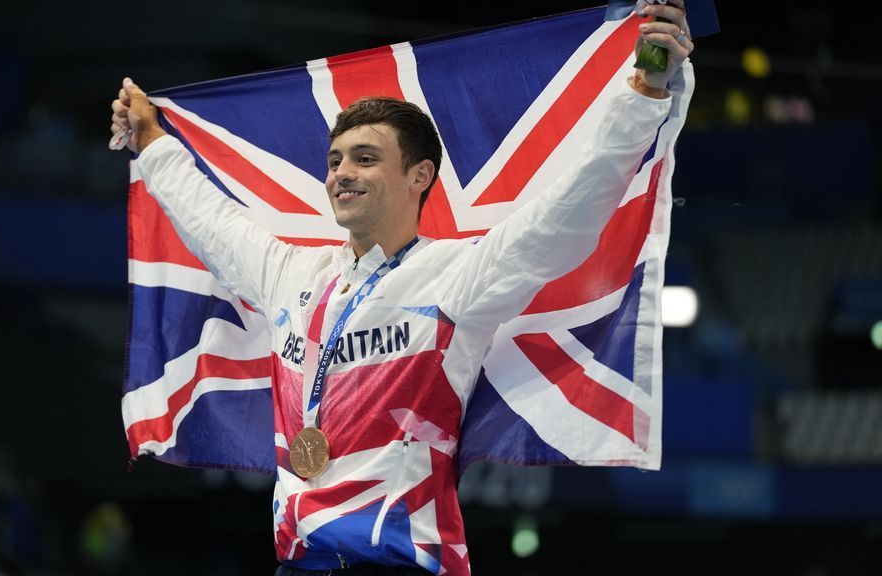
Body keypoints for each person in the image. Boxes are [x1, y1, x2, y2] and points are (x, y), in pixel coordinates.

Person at [111, 3, 693, 574]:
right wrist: (152, 141)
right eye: (335, 160)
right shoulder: (290, 274)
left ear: (420, 177)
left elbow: (569, 207)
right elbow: (210, 221)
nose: (342, 172)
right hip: (300, 563)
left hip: (404, 560)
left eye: (366, 159)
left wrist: (642, 90)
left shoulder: (458, 277)